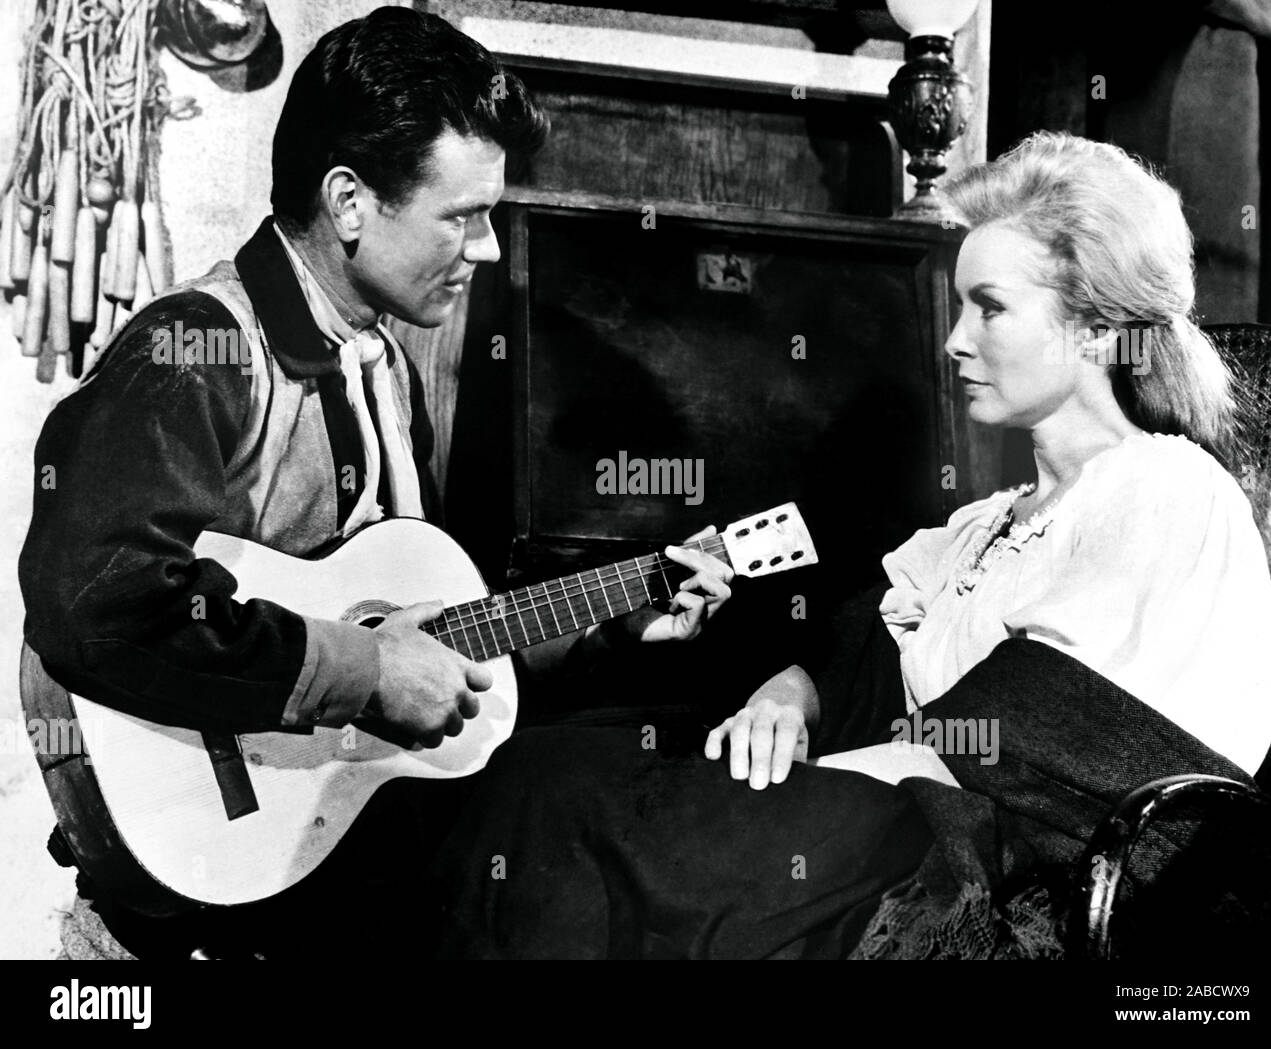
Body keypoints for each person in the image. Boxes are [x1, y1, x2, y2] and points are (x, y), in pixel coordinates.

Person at [421, 131, 1271, 959]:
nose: (955, 340)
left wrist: (887, 746)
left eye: (989, 308)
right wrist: (795, 690)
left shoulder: (1162, 488)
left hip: (1001, 882)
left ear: (1100, 329)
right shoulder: (984, 524)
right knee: (556, 758)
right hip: (906, 823)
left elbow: (1060, 746)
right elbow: (869, 657)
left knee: (560, 803)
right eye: (958, 306)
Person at [18, 7, 738, 959]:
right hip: (187, 912)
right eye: (465, 216)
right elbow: (93, 606)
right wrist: (361, 672)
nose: (486, 249)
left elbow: (424, 638)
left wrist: (611, 621)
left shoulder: (385, 370)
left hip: (333, 880)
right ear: (350, 202)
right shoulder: (197, 353)